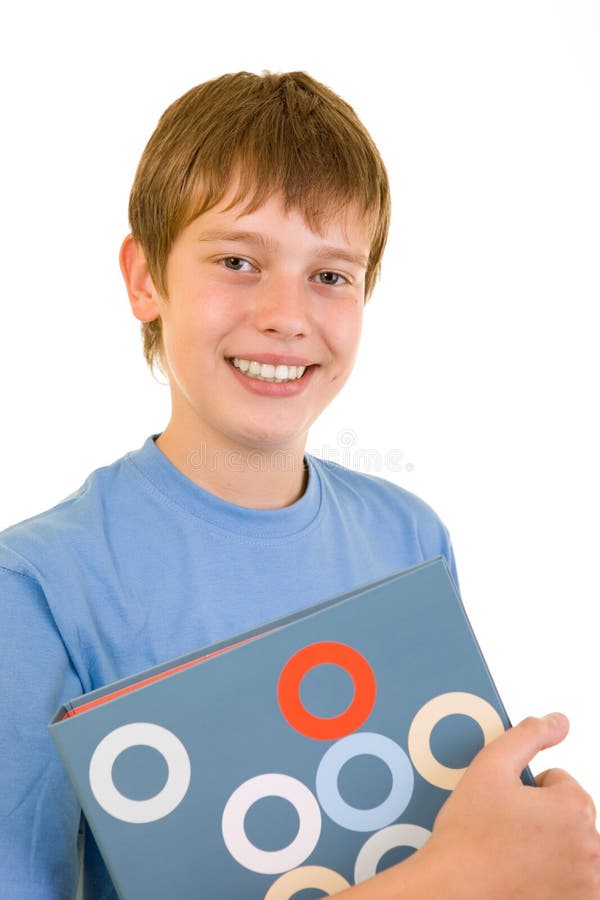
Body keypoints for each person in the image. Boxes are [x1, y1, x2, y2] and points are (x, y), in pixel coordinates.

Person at [0, 71, 598, 900]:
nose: (287, 313)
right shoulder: (38, 588)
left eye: (330, 275)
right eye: (238, 261)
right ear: (145, 279)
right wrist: (460, 877)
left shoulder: (409, 538)